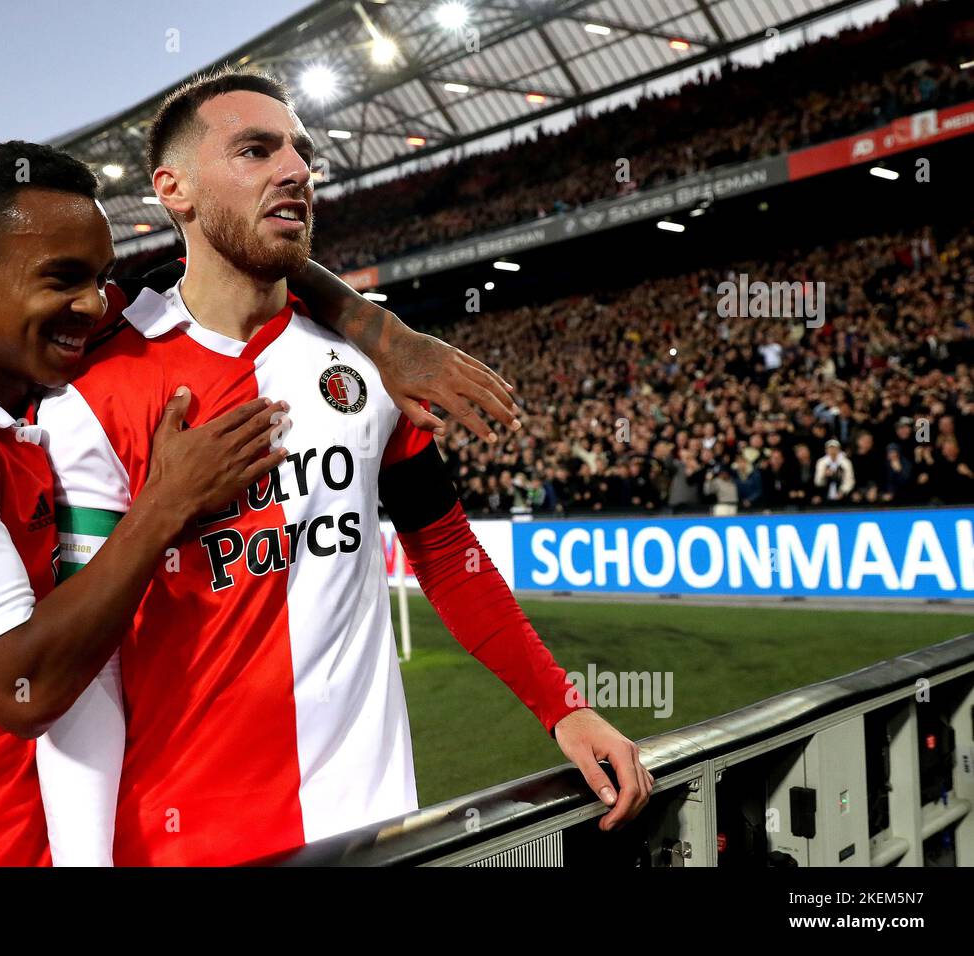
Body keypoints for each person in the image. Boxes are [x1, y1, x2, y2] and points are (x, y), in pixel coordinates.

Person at [0, 140, 523, 867]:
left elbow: (249, 268)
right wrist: (168, 505)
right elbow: (22, 689)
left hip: (74, 834)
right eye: (64, 280)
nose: (94, 305)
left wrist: (382, 333)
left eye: (100, 278)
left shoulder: (38, 370)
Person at [35, 68, 652, 867]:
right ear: (174, 189)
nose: (297, 169)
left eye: (302, 151)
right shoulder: (99, 388)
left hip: (376, 828)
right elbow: (87, 666)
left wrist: (564, 707)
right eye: (256, 151)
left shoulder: (368, 368)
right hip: (185, 845)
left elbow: (448, 557)